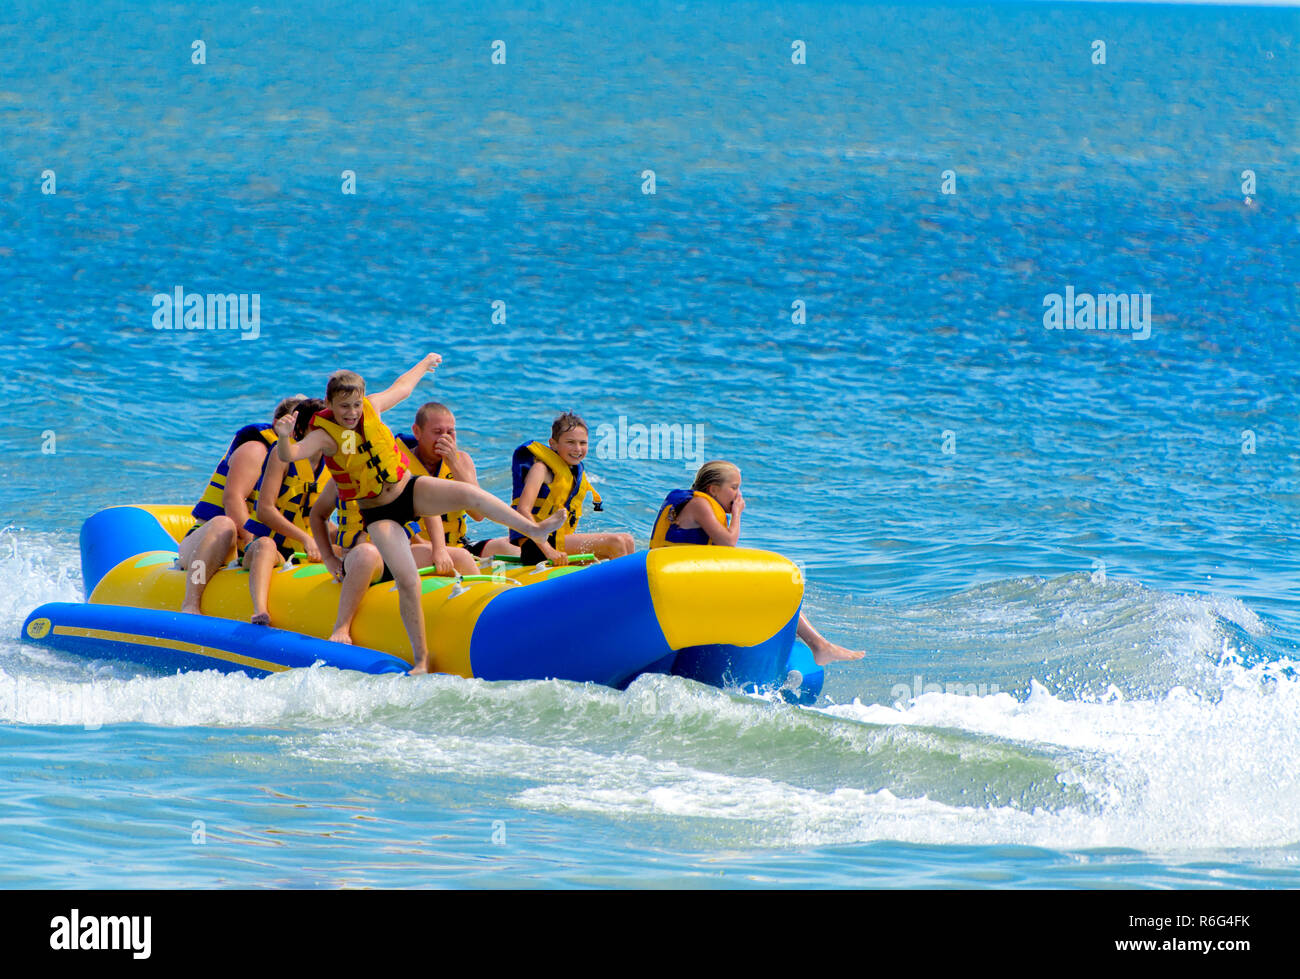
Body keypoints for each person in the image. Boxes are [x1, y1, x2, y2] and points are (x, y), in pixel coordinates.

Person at [273, 356, 569, 673]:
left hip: (408, 490)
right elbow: (293, 454)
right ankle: (421, 658)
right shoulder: (324, 435)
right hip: (380, 513)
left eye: (356, 405)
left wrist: (425, 363)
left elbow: (403, 387)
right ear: (330, 403)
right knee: (408, 579)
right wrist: (284, 436)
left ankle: (533, 530)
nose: (352, 413)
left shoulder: (372, 407)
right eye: (344, 406)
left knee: (469, 494)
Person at [649, 460, 865, 667]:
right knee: (775, 592)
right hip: (679, 586)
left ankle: (818, 646)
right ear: (713, 489)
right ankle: (819, 646)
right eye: (734, 488)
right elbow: (728, 542)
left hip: (684, 582)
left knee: (770, 591)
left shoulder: (697, 504)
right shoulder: (700, 504)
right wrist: (737, 514)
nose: (739, 495)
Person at [177, 395, 304, 615]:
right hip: (206, 542)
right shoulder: (256, 449)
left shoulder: (295, 463)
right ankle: (190, 602)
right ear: (279, 424)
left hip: (242, 549)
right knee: (224, 525)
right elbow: (233, 499)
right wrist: (249, 542)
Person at [398, 401, 518, 561]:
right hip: (419, 548)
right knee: (459, 557)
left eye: (450, 432)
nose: (444, 438)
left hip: (460, 545)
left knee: (510, 547)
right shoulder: (398, 464)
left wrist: (454, 464)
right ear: (417, 432)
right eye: (437, 432)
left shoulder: (462, 461)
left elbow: (478, 514)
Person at [244, 398, 328, 626]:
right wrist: (304, 538)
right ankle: (260, 611)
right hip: (268, 546)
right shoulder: (282, 455)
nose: (324, 433)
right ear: (300, 429)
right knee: (265, 546)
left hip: (304, 550)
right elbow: (265, 510)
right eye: (317, 427)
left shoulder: (331, 464)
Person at [510, 412, 633, 566]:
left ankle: (628, 585)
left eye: (583, 443)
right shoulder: (541, 469)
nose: (577, 448)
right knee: (616, 542)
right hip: (537, 546)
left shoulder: (572, 472)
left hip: (558, 541)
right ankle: (621, 588)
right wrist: (549, 550)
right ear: (553, 444)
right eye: (570, 442)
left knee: (628, 540)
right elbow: (522, 510)